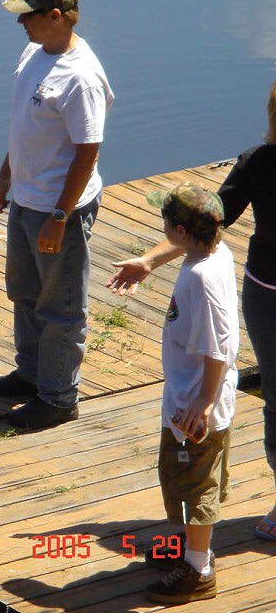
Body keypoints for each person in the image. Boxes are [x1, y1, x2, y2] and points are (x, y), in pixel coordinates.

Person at [109, 81, 276, 544]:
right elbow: (210, 221)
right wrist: (149, 260)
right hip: (270, 293)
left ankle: (195, 562)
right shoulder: (259, 162)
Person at [0, 0, 115, 430]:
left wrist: (60, 216)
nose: (21, 24)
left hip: (61, 209)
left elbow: (87, 151)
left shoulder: (81, 77)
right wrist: (5, 175)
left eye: (28, 15)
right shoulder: (33, 52)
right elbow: (24, 125)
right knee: (24, 291)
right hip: (25, 198)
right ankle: (33, 373)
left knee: (61, 307)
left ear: (55, 17)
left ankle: (59, 397)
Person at [125, 183, 238, 603]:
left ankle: (198, 568)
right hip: (189, 397)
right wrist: (148, 261)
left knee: (198, 487)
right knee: (182, 479)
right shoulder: (213, 253)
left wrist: (203, 404)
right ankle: (187, 548)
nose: (162, 225)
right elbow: (179, 247)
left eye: (166, 221)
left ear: (179, 229)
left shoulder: (201, 279)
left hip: (196, 404)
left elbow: (218, 346)